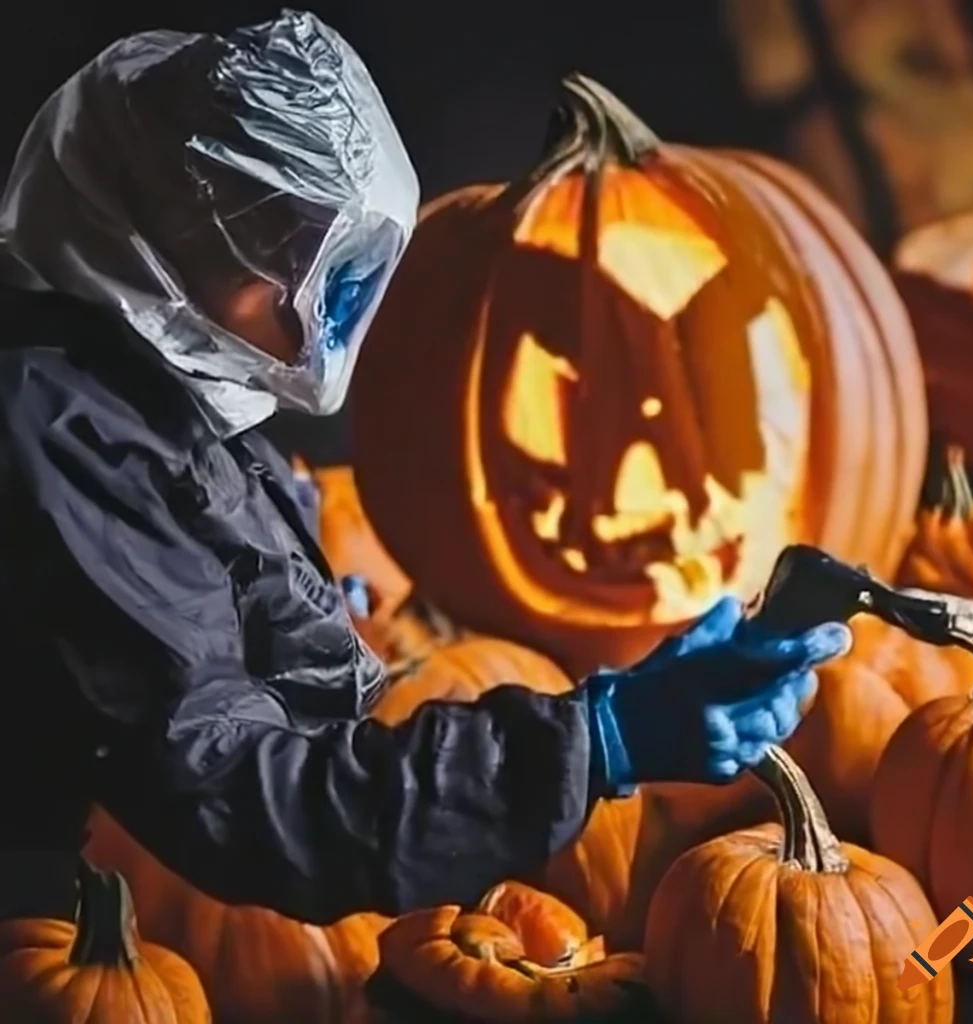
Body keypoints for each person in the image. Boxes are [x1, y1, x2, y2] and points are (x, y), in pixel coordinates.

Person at [0, 10, 851, 925]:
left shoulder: (149, 367)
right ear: (154, 236)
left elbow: (193, 574)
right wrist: (596, 741)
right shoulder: (58, 427)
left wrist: (303, 619)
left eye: (331, 250)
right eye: (273, 248)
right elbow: (247, 800)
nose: (317, 301)